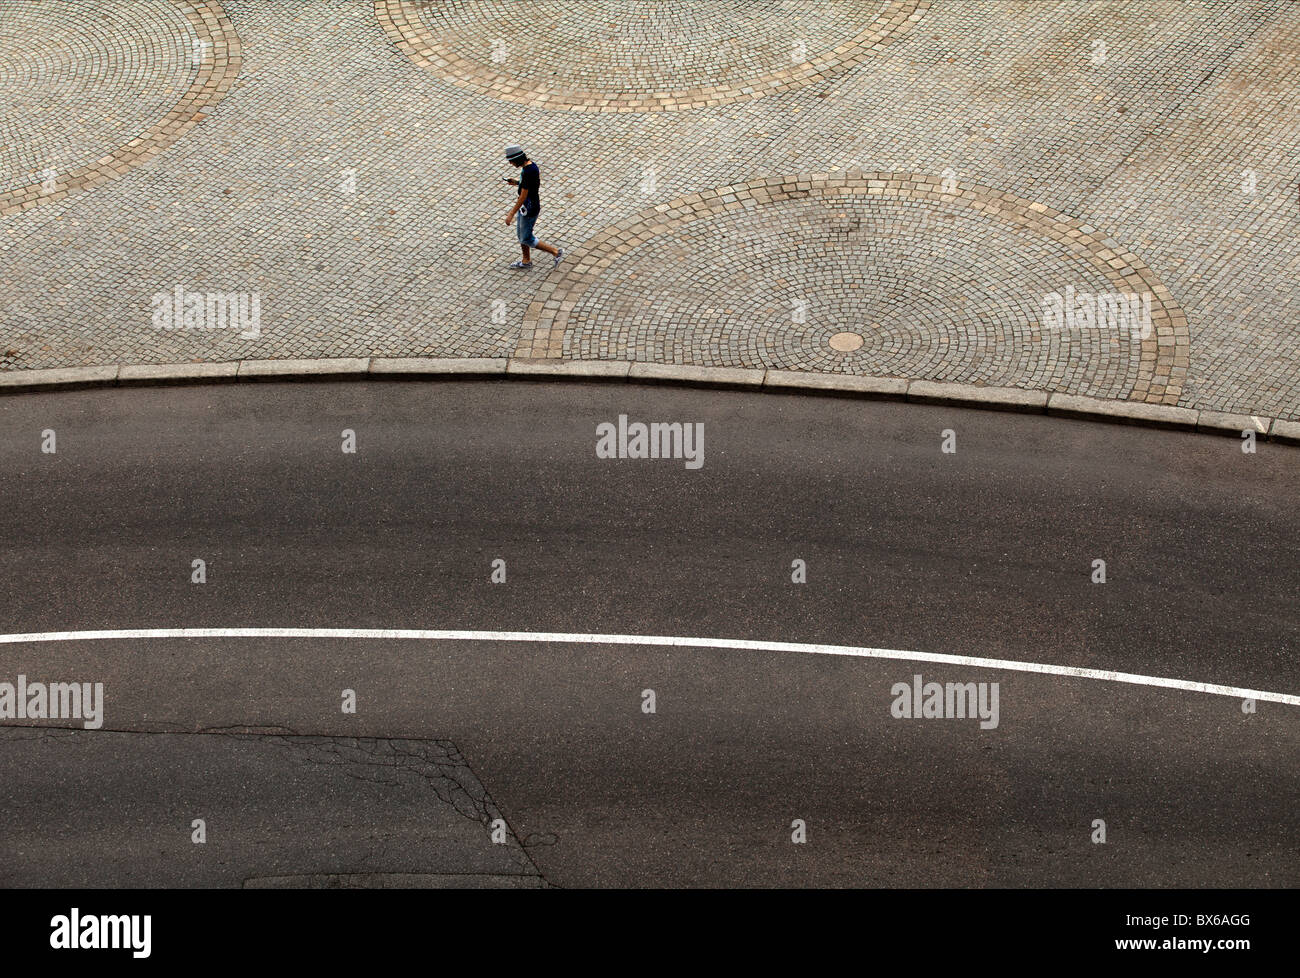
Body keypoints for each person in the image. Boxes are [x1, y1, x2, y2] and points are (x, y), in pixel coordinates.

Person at [504, 145, 562, 270]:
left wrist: (511, 213)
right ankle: (526, 260)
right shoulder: (530, 167)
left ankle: (555, 251)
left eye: (511, 161)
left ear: (517, 159)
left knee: (526, 237)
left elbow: (523, 196)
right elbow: (530, 186)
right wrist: (516, 182)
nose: (510, 163)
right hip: (527, 207)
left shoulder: (528, 172)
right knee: (521, 235)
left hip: (529, 208)